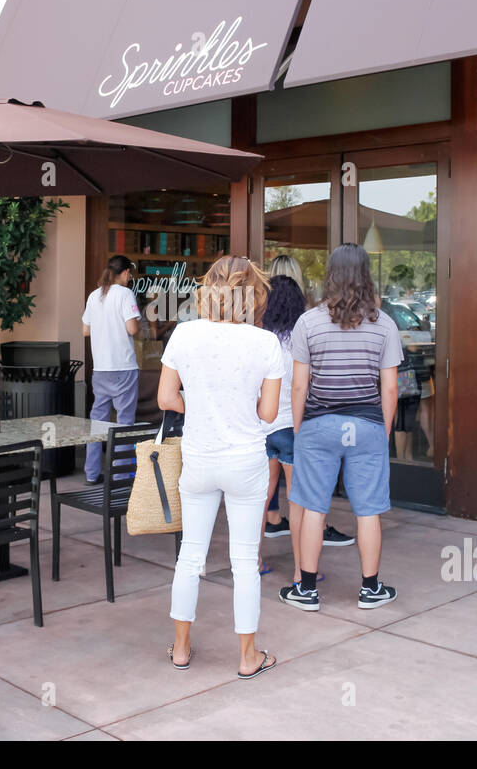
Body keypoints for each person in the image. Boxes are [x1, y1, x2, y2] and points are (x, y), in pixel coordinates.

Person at [158, 256, 284, 679]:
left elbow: (165, 398)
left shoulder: (185, 333)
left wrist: (198, 405)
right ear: (255, 294)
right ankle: (248, 658)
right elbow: (268, 414)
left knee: (189, 556)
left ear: (208, 290)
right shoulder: (265, 343)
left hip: (198, 457)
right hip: (246, 461)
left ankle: (180, 648)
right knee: (244, 560)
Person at [281, 243, 401, 612]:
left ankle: (307, 590)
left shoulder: (308, 322)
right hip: (365, 424)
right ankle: (370, 589)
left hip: (319, 423)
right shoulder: (384, 324)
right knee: (368, 511)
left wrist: (300, 429)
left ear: (331, 274)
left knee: (314, 508)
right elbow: (391, 388)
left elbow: (299, 385)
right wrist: (383, 432)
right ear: (366, 275)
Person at [257, 275, 353, 578]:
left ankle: (254, 562)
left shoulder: (257, 340)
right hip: (292, 428)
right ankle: (301, 572)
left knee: (259, 498)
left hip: (260, 428)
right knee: (298, 502)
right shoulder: (303, 340)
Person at [82, 255, 141, 485]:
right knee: (124, 423)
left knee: (97, 422)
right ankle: (120, 474)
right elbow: (132, 328)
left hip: (101, 369)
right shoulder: (125, 294)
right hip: (123, 367)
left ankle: (91, 472)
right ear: (126, 273)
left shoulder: (94, 295)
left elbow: (85, 330)